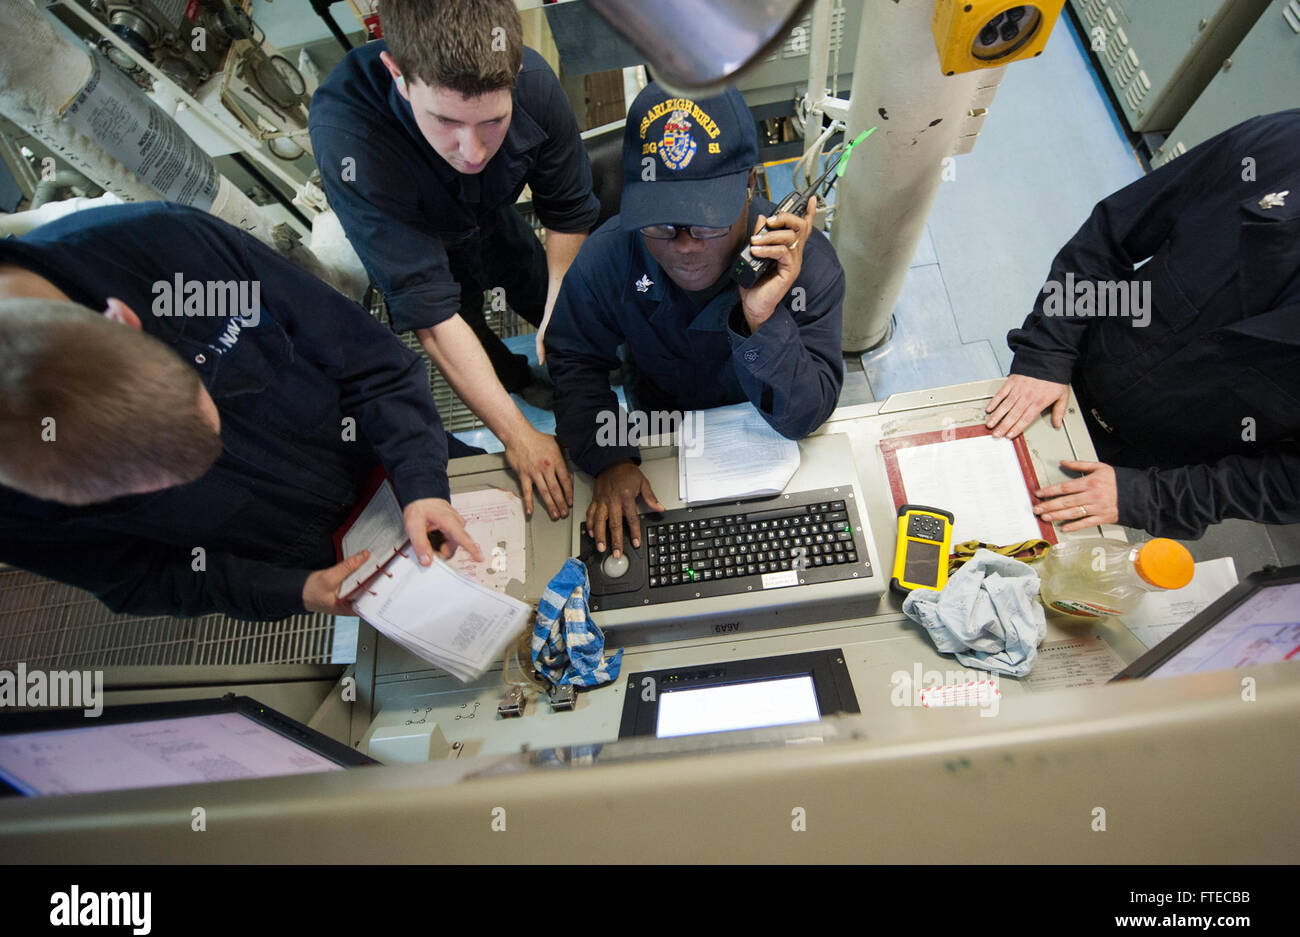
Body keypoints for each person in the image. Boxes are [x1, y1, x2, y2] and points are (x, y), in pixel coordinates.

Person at [0, 202, 481, 621]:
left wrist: (421, 478)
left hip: (407, 459)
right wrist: (294, 590)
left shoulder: (167, 248)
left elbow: (370, 360)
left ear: (125, 320)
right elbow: (134, 576)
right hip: (317, 561)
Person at [309, 0, 599, 522]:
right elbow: (432, 316)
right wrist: (518, 437)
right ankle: (516, 380)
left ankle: (571, 353)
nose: (471, 151)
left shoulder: (533, 81)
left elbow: (568, 213)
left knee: (540, 284)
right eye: (445, 120)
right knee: (468, 327)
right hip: (421, 242)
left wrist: (561, 308)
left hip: (496, 220)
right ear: (398, 75)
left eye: (493, 122)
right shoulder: (350, 137)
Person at [544, 83, 846, 559]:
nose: (684, 245)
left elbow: (806, 417)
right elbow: (573, 356)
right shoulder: (609, 256)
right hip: (663, 425)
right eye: (662, 223)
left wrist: (763, 318)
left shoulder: (809, 269)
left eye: (707, 223)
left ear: (750, 184)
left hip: (767, 433)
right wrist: (610, 457)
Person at [986, 108, 1300, 539]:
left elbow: (1291, 481)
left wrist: (1145, 497)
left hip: (1147, 470)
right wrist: (1046, 350)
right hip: (1067, 370)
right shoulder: (1280, 148)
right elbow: (1112, 233)